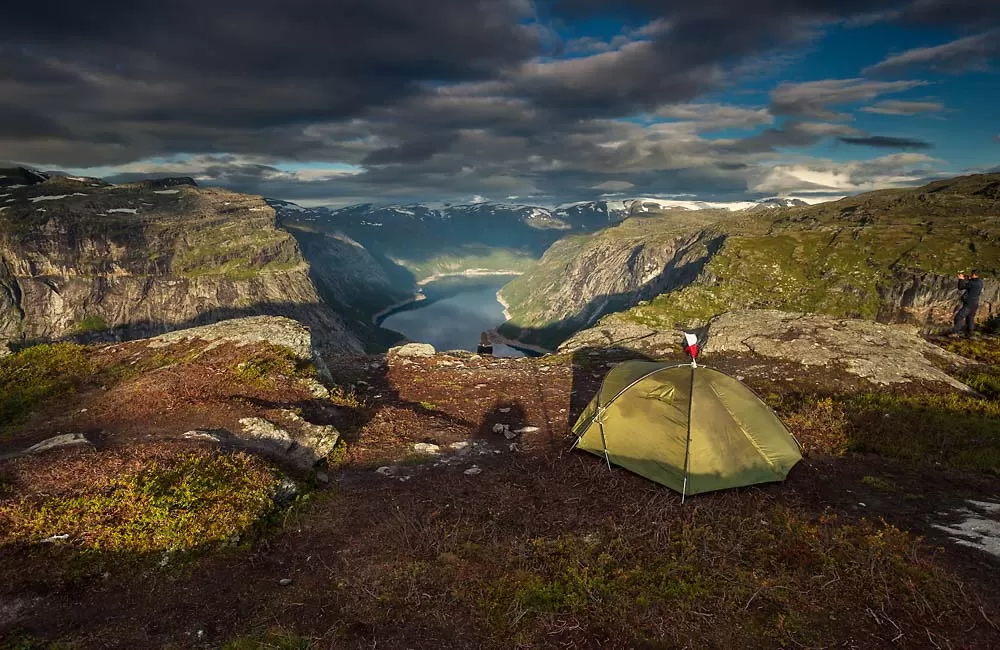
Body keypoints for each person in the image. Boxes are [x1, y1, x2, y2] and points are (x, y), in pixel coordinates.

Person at [952, 270, 983, 337]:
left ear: (974, 274)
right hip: (975, 303)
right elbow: (972, 281)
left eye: (971, 274)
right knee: (970, 318)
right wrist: (966, 277)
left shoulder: (972, 283)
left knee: (959, 317)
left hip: (969, 304)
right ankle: (970, 334)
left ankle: (955, 333)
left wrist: (961, 279)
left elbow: (961, 287)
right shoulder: (980, 282)